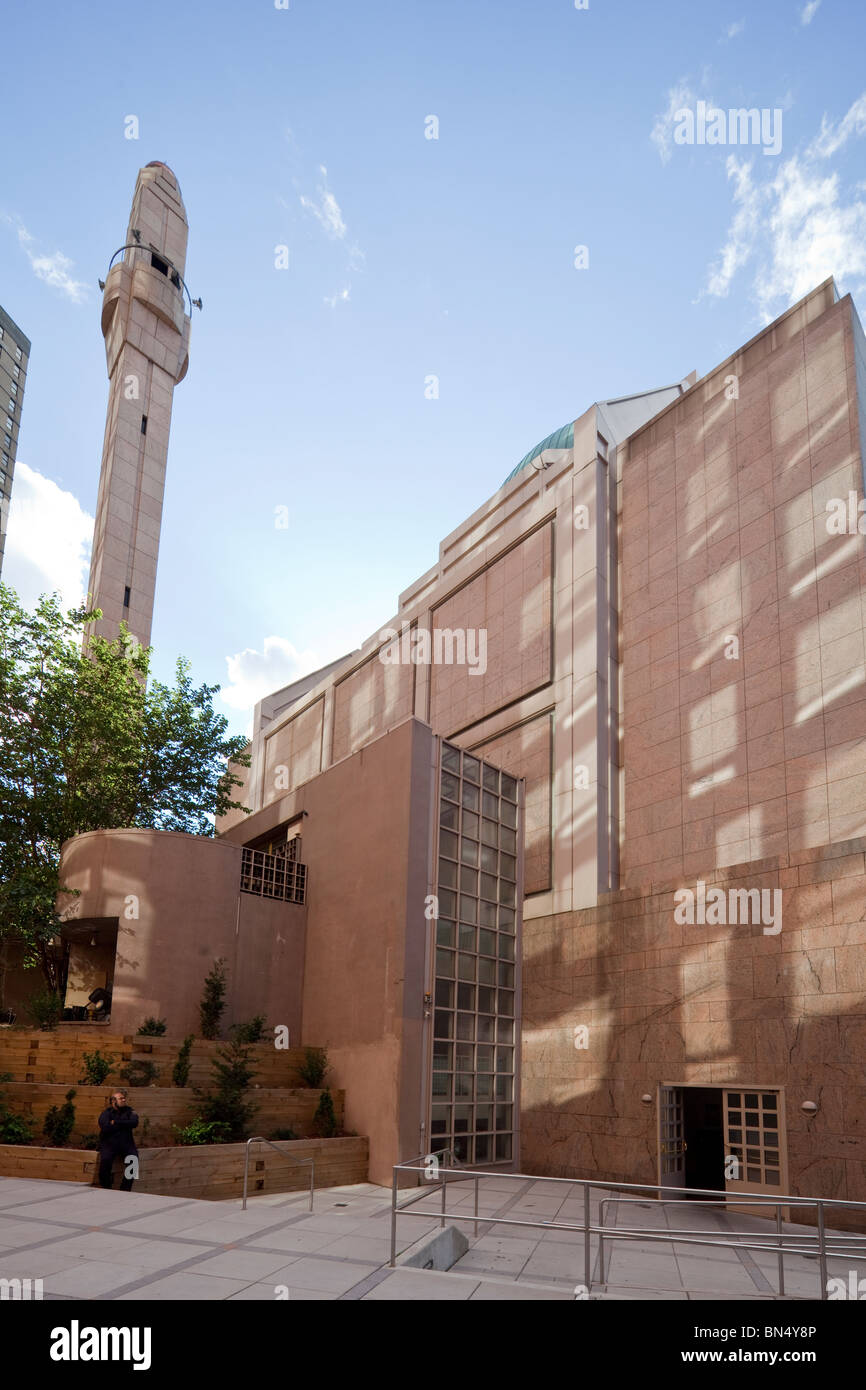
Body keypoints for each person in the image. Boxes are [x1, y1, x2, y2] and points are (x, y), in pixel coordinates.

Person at [97, 1089, 139, 1191]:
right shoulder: (106, 1113)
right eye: (121, 1098)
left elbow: (134, 1123)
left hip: (127, 1144)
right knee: (105, 1162)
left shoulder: (130, 1111)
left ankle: (125, 1188)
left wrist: (115, 1122)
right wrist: (125, 1123)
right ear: (113, 1101)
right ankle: (106, 1187)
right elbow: (105, 1127)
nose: (124, 1100)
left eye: (124, 1098)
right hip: (109, 1144)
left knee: (134, 1162)